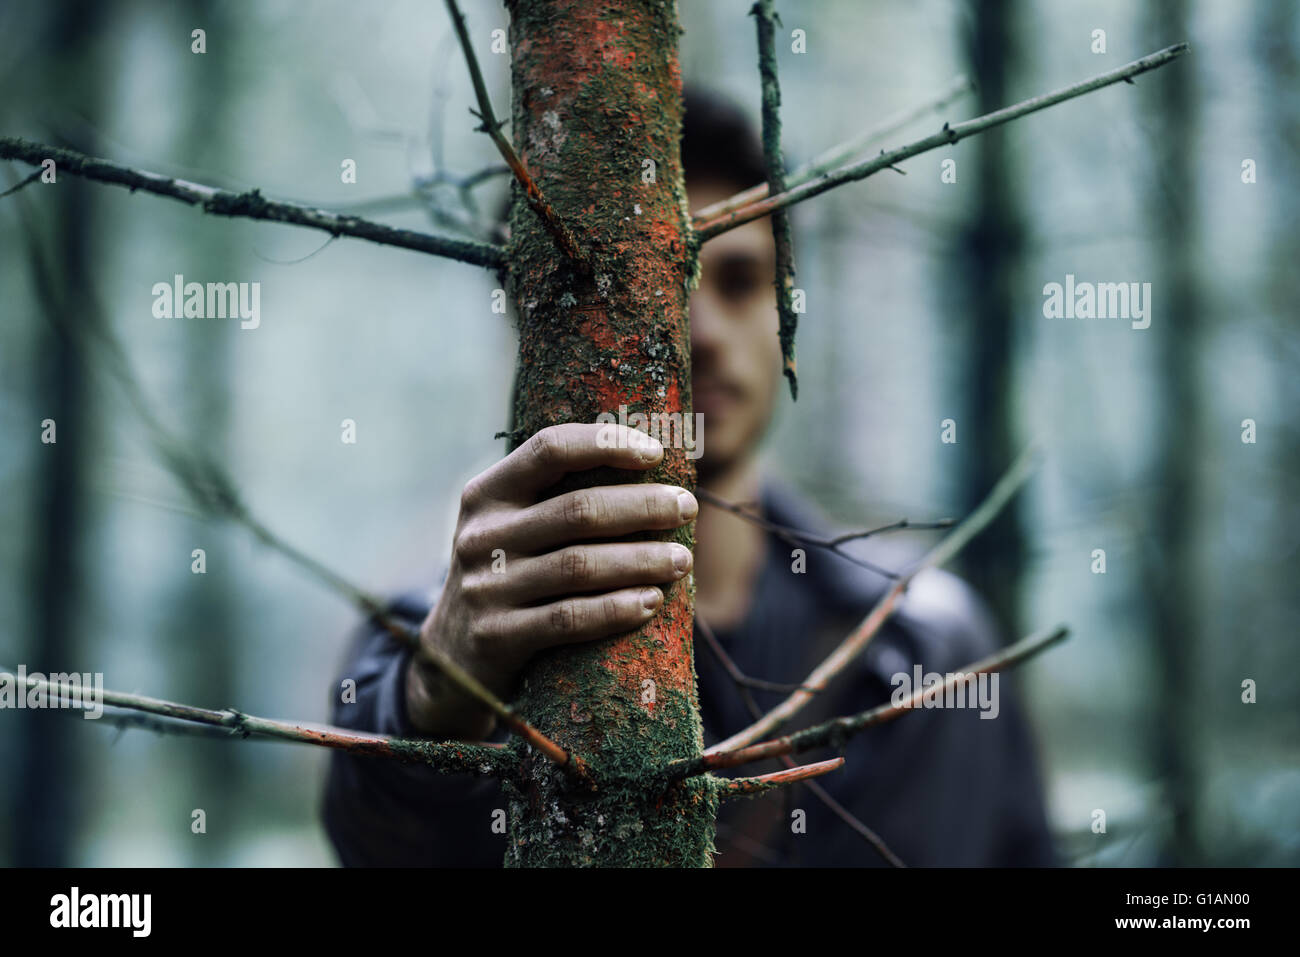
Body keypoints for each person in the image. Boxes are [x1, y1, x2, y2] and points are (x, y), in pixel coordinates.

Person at [321, 88, 1057, 867]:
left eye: (738, 282)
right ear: (535, 331)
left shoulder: (928, 645)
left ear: (786, 315)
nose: (697, 333)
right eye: (641, 293)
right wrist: (437, 694)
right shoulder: (444, 635)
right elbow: (375, 837)